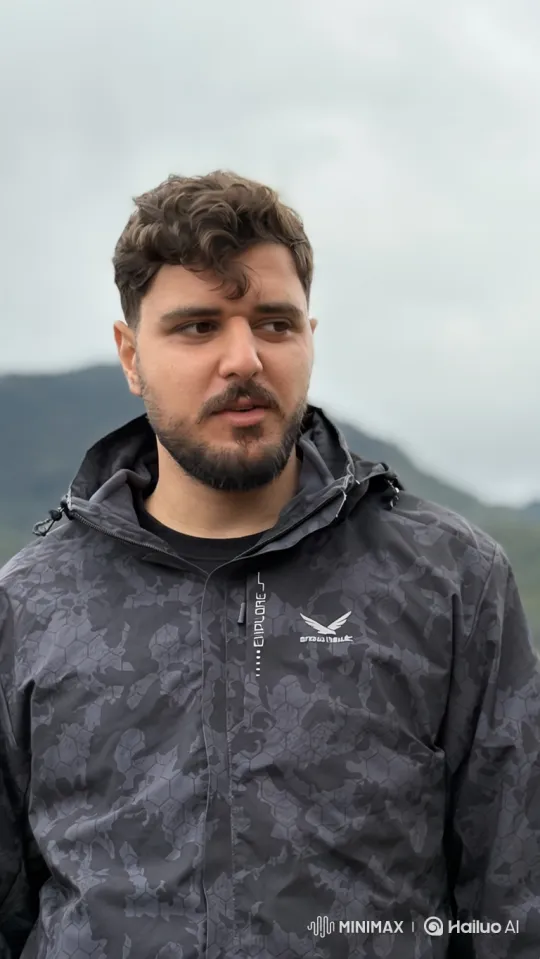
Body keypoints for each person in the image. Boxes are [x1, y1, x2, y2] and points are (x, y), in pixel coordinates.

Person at [0, 171, 538, 959]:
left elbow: (512, 908)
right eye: (197, 327)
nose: (244, 358)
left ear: (310, 336)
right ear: (130, 354)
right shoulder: (32, 605)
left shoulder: (449, 581)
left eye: (275, 323)